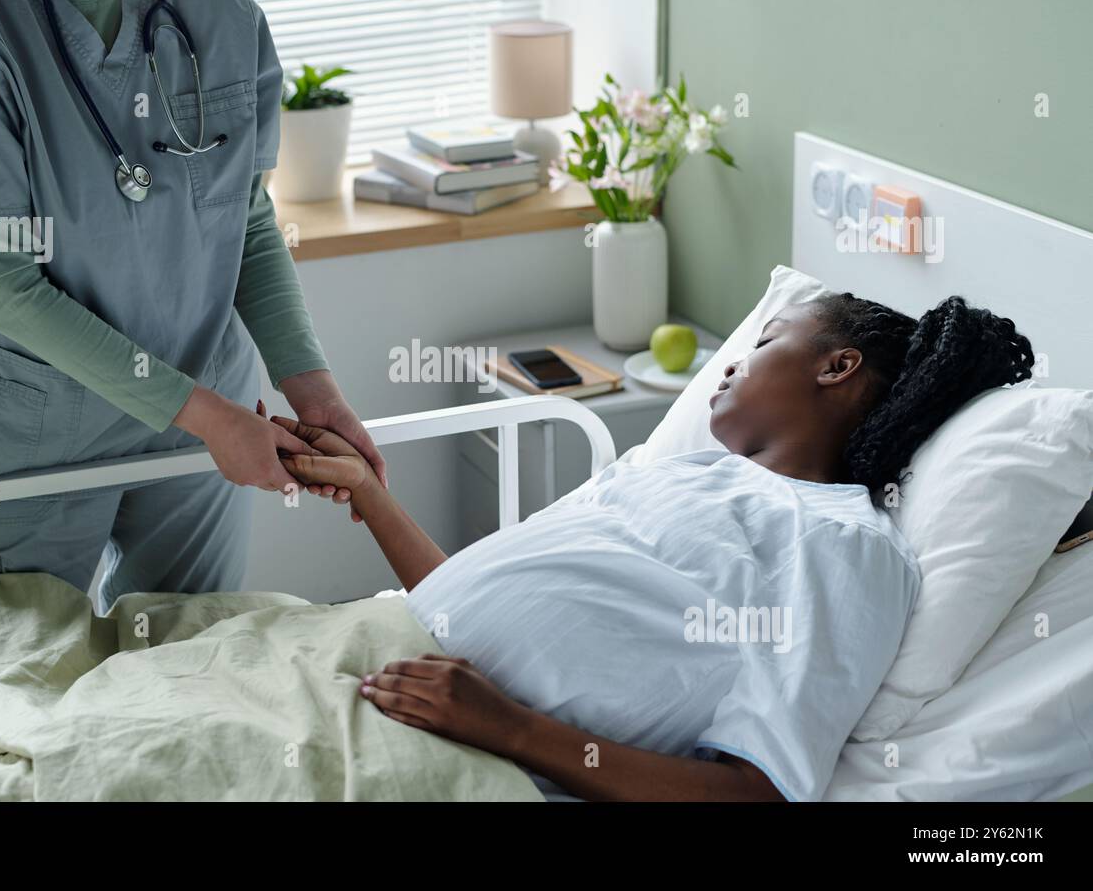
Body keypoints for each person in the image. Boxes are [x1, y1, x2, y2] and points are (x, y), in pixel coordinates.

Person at [272, 293, 1033, 801]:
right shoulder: (679, 473)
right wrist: (371, 499)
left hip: (462, 759)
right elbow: (465, 605)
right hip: (374, 665)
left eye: (766, 342)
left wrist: (508, 728)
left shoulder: (841, 545)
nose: (731, 363)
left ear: (837, 367)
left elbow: (757, 788)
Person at [0, 0, 384, 611]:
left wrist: (316, 394)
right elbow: (7, 290)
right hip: (35, 434)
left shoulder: (219, 10)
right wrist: (214, 421)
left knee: (184, 670)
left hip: (203, 415)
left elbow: (246, 220)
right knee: (13, 690)